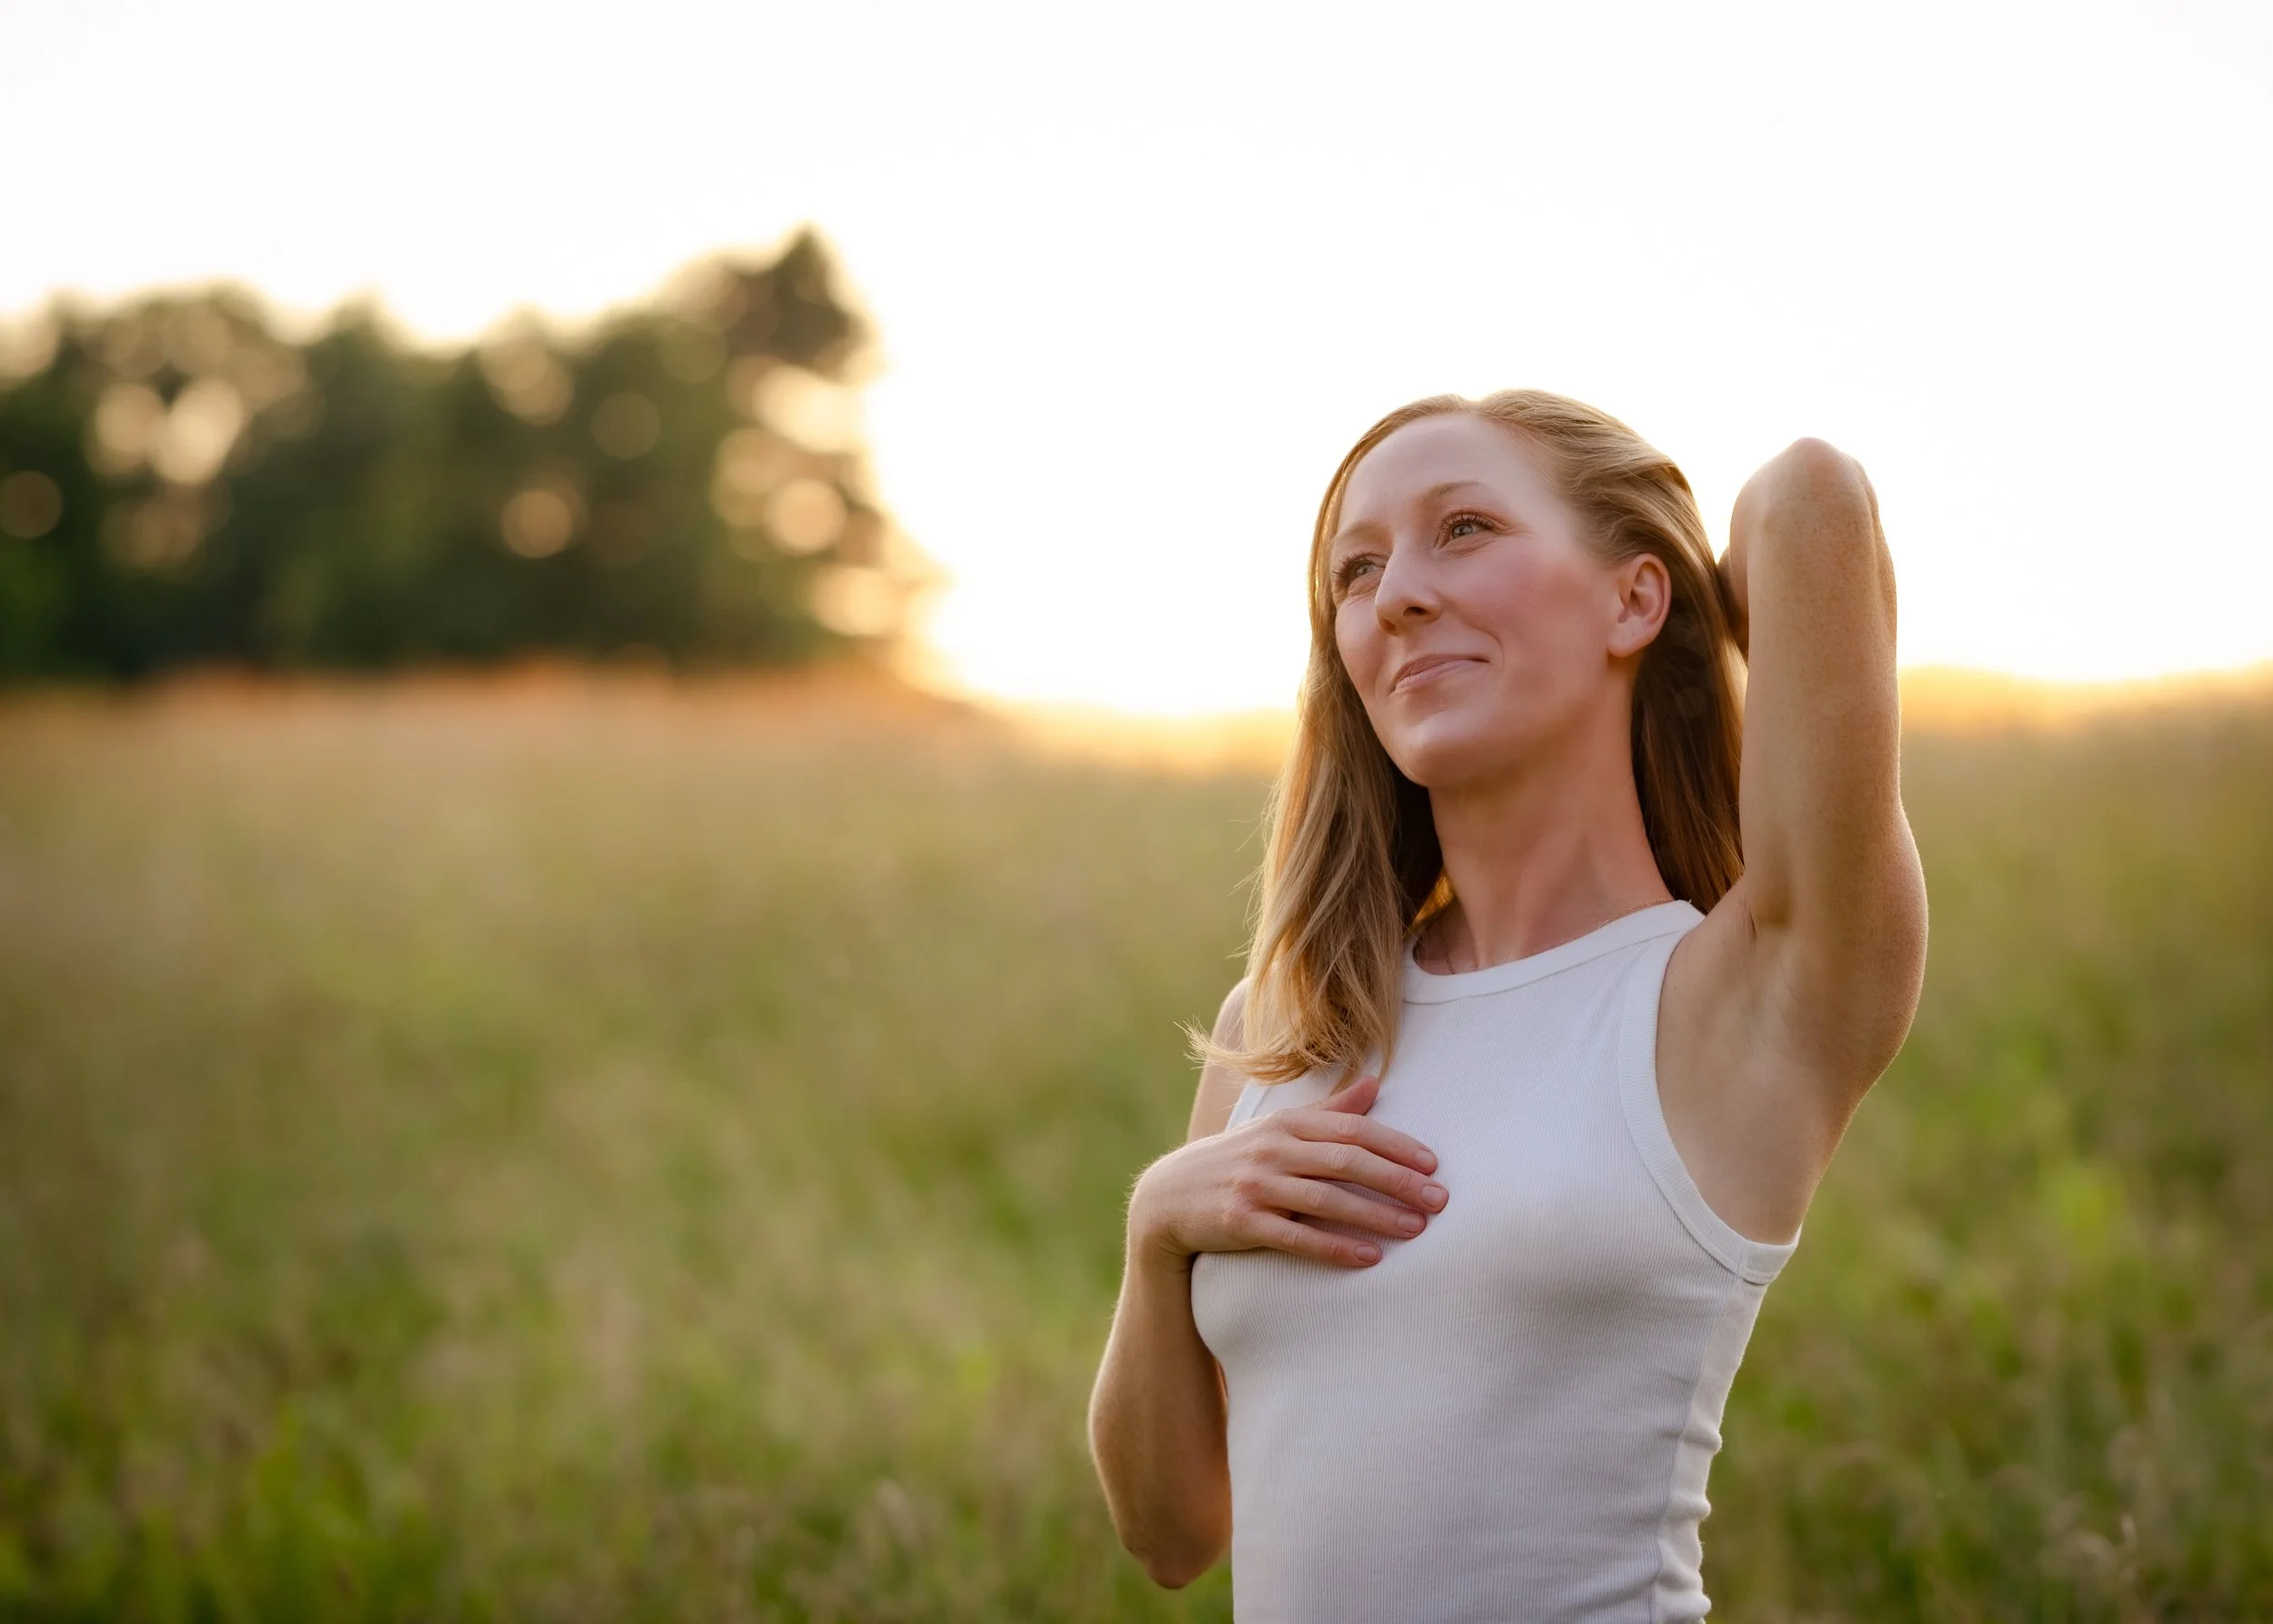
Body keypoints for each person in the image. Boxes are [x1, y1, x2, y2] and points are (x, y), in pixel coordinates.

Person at [1085, 389, 1929, 1620]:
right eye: (1356, 571)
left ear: (1633, 599)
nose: (1396, 596)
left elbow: (1811, 502)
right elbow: (1168, 1535)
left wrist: (1695, 615)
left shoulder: (1744, 999)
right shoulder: (1287, 1030)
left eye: (1465, 529)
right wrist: (1158, 1226)